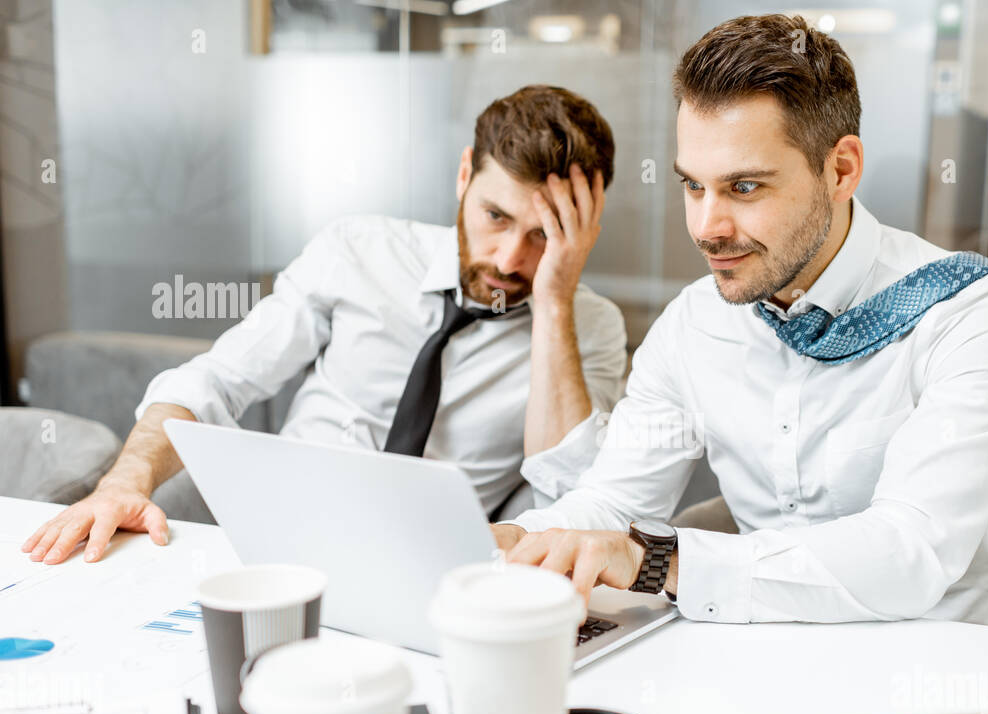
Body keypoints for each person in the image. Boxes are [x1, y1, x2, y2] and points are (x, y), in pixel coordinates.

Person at [494, 16, 988, 629]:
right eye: (692, 186)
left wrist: (656, 562)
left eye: (744, 187)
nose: (706, 227)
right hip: (760, 665)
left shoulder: (970, 312)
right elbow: (615, 499)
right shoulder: (693, 326)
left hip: (947, 682)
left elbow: (910, 552)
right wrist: (508, 540)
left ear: (841, 170)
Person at [24, 85, 627, 566]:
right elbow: (217, 381)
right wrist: (124, 482)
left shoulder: (588, 325)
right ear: (465, 174)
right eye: (495, 216)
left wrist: (553, 303)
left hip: (434, 572)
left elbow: (575, 492)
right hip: (272, 541)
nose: (508, 259)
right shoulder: (359, 250)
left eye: (543, 235)